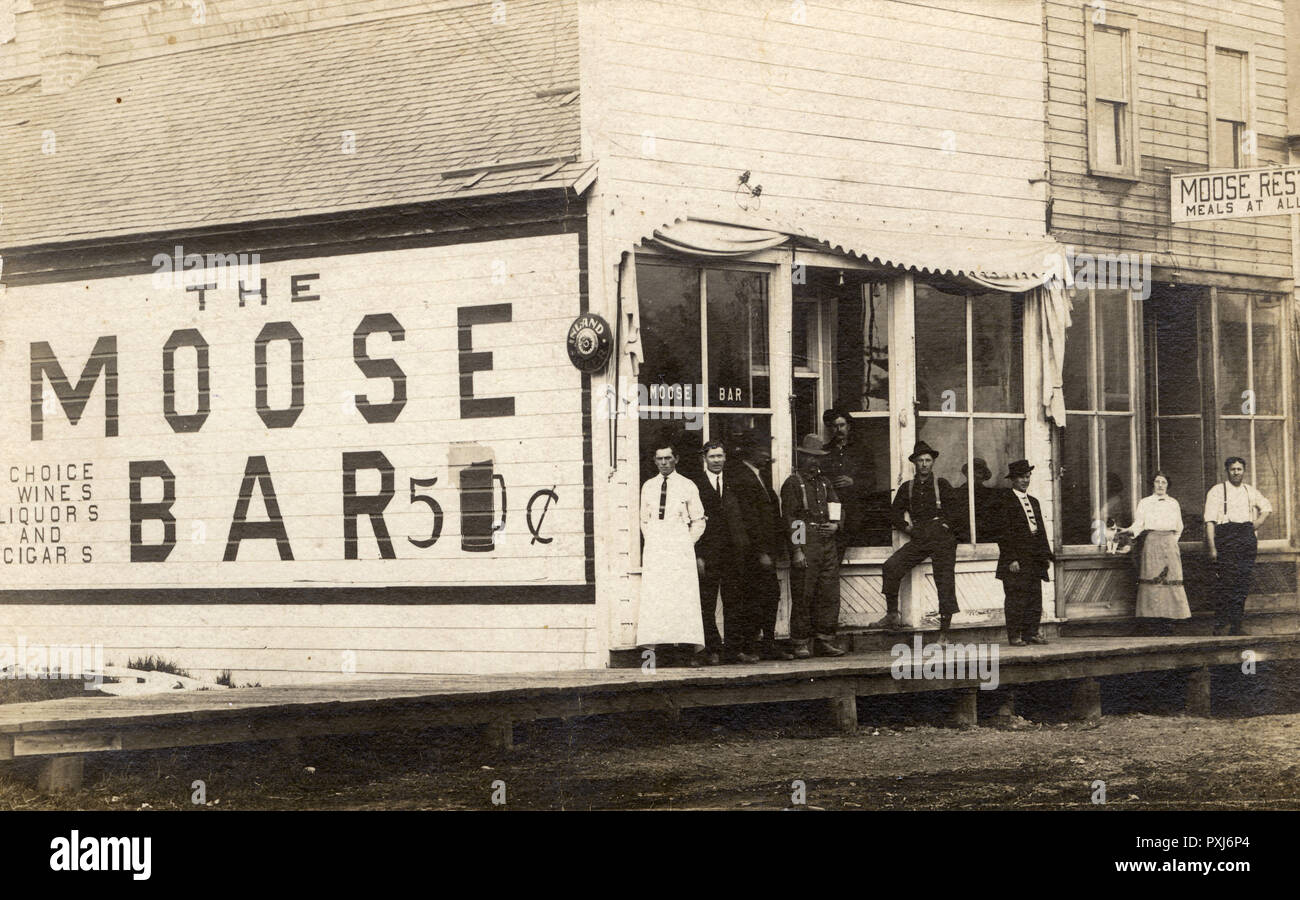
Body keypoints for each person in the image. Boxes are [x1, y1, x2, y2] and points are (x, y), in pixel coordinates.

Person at [870, 441, 962, 643]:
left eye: (928, 460)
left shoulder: (942, 484)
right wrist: (907, 528)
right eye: (920, 460)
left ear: (933, 463)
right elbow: (893, 513)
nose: (924, 464)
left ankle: (944, 633)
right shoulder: (907, 487)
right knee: (891, 566)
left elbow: (957, 512)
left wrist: (946, 526)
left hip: (941, 538)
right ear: (914, 463)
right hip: (920, 535)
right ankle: (893, 614)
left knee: (945, 581)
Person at [637, 441, 707, 665]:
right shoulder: (648, 486)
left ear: (676, 459)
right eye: (659, 459)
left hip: (681, 550)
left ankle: (687, 650)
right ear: (655, 461)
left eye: (668, 458)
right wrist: (655, 541)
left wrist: (685, 543)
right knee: (659, 598)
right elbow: (644, 519)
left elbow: (699, 520)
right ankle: (663, 650)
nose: (664, 463)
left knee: (683, 598)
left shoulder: (687, 485)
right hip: (657, 550)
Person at [726, 429, 791, 662]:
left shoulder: (758, 475)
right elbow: (750, 521)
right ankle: (753, 645)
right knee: (756, 598)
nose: (767, 456)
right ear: (750, 452)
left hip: (766, 552)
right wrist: (761, 552)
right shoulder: (742, 478)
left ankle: (767, 643)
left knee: (769, 596)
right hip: (753, 554)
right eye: (763, 451)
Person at [781, 434, 846, 658]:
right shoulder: (793, 483)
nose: (813, 461)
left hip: (827, 542)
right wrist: (797, 550)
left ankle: (824, 640)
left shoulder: (824, 483)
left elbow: (837, 506)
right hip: (806, 540)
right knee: (804, 592)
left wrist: (835, 525)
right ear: (801, 457)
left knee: (828, 592)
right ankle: (800, 642)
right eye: (809, 457)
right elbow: (791, 519)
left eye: (817, 457)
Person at [691, 439, 746, 665]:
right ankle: (712, 648)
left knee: (734, 602)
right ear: (704, 458)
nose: (716, 460)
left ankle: (733, 649)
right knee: (707, 604)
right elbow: (692, 521)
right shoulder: (696, 485)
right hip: (709, 553)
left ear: (725, 458)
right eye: (712, 456)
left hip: (732, 553)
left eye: (720, 456)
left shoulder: (734, 482)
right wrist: (697, 555)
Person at [1203, 456, 1272, 635]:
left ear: (1244, 471)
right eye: (1233, 469)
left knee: (1242, 582)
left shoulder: (1250, 491)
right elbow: (1210, 521)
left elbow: (1267, 507)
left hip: (1246, 538)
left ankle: (1236, 626)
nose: (1236, 472)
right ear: (1227, 471)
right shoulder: (1217, 491)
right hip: (1226, 537)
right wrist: (1212, 548)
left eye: (1239, 469)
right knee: (1226, 582)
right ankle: (1220, 625)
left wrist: (1255, 524)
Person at [994, 459, 1055, 646]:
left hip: (1034, 556)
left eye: (1028, 477)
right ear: (1013, 479)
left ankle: (1032, 632)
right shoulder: (1005, 501)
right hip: (1016, 557)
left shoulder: (1033, 502)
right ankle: (1015, 635)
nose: (1025, 480)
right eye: (1021, 477)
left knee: (1034, 596)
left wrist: (1046, 554)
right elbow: (1003, 532)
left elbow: (1041, 530)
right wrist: (1011, 558)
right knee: (1016, 597)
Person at [1122, 472, 1190, 634]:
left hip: (1169, 542)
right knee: (1152, 581)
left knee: (1170, 580)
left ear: (1167, 485)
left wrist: (1171, 541)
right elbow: (1139, 525)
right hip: (1152, 542)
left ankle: (1168, 621)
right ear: (1152, 484)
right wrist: (1128, 531)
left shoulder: (1173, 503)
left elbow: (1179, 527)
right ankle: (1152, 621)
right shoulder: (1145, 502)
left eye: (1164, 482)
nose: (1160, 485)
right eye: (1157, 482)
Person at [820, 407, 867, 551]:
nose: (838, 429)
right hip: (831, 510)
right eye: (835, 426)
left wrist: (854, 482)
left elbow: (872, 481)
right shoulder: (824, 452)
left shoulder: (861, 451)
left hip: (854, 510)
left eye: (842, 425)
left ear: (849, 426)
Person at [960, 457, 997, 542]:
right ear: (967, 474)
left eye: (979, 472)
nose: (975, 475)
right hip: (964, 536)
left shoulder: (990, 495)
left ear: (983, 476)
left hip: (985, 536)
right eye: (972, 471)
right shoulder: (959, 492)